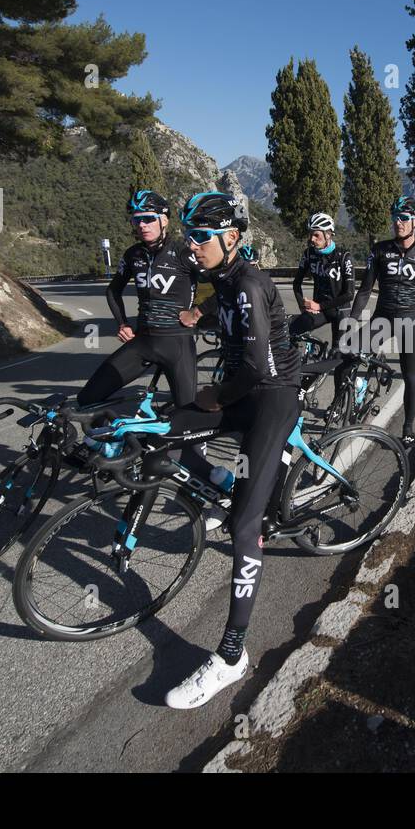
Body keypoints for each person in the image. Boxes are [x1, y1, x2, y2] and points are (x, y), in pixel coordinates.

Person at [156, 191, 302, 709]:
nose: (191, 246)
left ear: (231, 238)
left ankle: (232, 655)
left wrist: (217, 396)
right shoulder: (222, 281)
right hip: (243, 390)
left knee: (244, 526)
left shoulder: (251, 284)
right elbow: (208, 315)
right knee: (165, 429)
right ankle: (224, 479)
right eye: (188, 237)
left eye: (200, 237)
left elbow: (260, 369)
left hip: (271, 397)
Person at [77, 189, 203, 410]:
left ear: (163, 220)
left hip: (177, 342)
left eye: (148, 219)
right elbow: (113, 290)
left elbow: (222, 285)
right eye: (136, 220)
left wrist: (198, 312)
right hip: (143, 341)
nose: (142, 225)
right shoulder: (132, 254)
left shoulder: (184, 252)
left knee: (188, 417)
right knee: (87, 399)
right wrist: (122, 323)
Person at [349, 196, 415, 447]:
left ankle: (408, 427)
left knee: (410, 376)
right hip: (382, 317)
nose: (398, 223)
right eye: (395, 218)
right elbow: (365, 290)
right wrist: (352, 322)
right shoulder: (379, 250)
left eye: (404, 218)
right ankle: (346, 404)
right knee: (349, 354)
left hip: (408, 319)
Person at [290, 212, 354, 352]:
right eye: (310, 234)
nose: (312, 239)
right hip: (320, 310)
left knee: (338, 355)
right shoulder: (309, 254)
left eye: (316, 235)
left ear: (328, 234)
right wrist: (303, 306)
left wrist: (319, 306)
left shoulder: (343, 257)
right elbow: (296, 283)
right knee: (292, 330)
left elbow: (349, 294)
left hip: (340, 311)